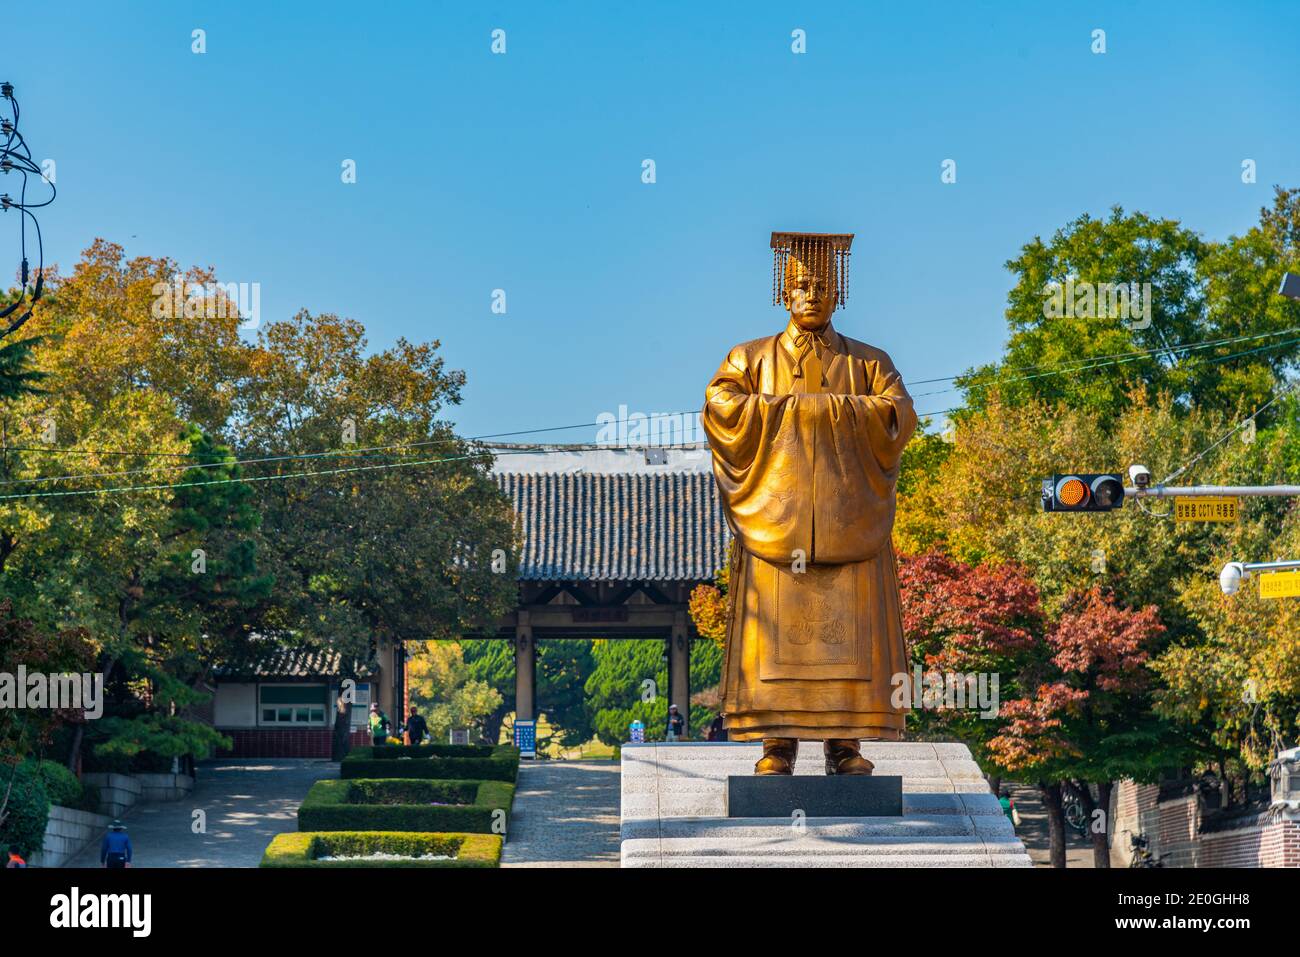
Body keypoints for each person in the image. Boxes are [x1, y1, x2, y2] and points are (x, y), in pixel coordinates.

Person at [702, 231, 916, 776]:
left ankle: (844, 745)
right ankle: (777, 746)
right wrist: (791, 413)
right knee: (773, 633)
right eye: (801, 286)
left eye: (823, 285)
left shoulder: (870, 362)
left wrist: (826, 410)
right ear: (784, 292)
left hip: (850, 520)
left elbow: (898, 414)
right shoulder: (750, 357)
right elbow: (721, 405)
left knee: (852, 636)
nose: (812, 295)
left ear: (838, 292)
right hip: (778, 521)